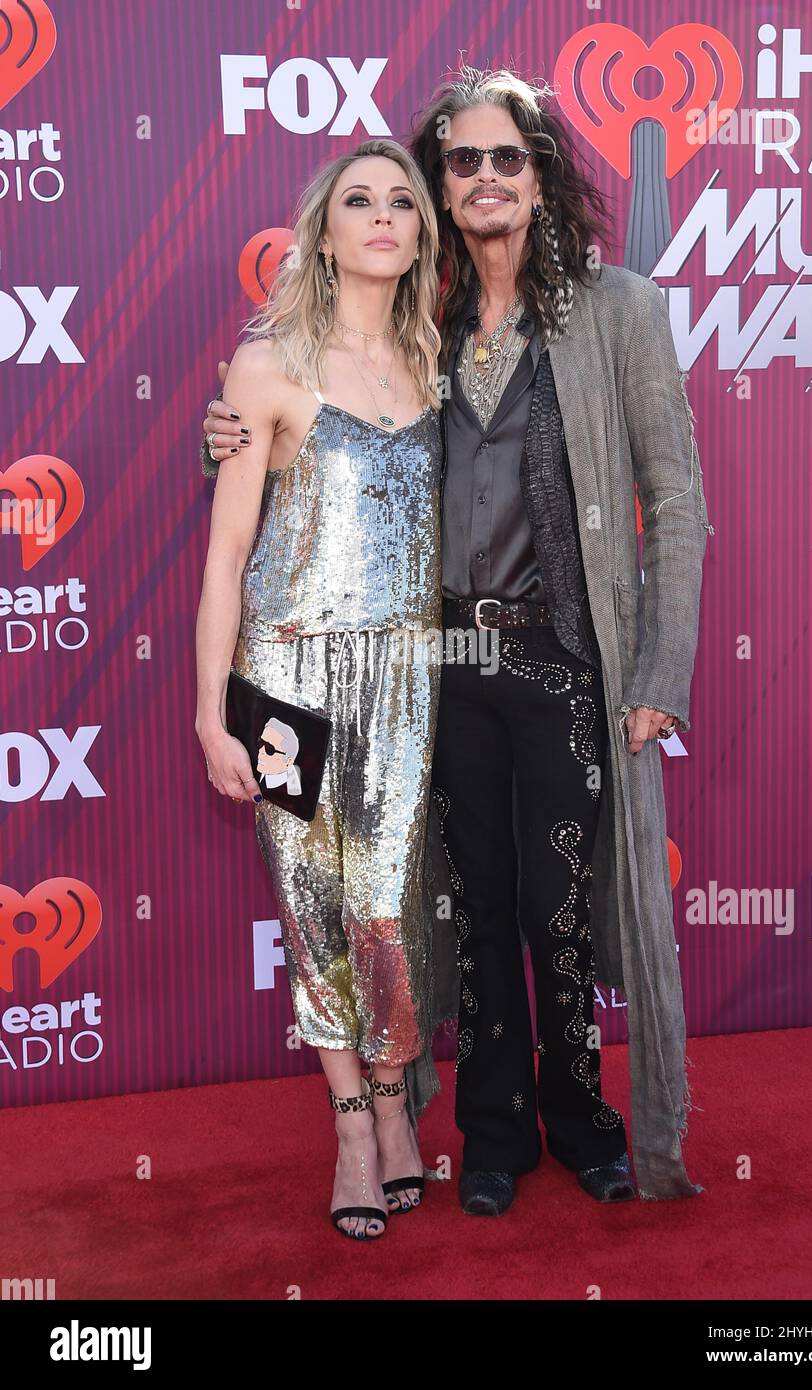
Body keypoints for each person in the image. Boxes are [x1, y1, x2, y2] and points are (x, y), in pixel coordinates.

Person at [202, 66, 714, 1210]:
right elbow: (326, 438)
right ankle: (491, 1134)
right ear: (441, 184)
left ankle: (582, 1119)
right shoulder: (416, 322)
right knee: (469, 904)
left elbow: (677, 499)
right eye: (463, 159)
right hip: (436, 674)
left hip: (564, 661)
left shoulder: (616, 311)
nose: (486, 176)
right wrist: (222, 432)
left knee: (558, 911)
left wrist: (660, 670)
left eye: (507, 158)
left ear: (541, 178)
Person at [194, 139, 448, 1240]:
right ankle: (355, 1128)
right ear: (326, 233)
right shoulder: (266, 367)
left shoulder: (441, 361)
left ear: (420, 233)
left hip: (406, 678)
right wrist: (212, 713)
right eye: (360, 201)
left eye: (401, 202)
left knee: (383, 908)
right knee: (311, 910)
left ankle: (395, 1101)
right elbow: (227, 555)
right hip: (286, 679)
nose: (383, 216)